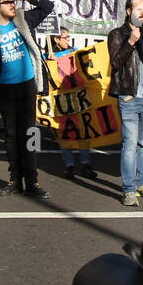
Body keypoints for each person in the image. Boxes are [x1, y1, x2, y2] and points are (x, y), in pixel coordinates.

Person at [0, 0, 54, 199]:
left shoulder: (24, 19)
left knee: (30, 133)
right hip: (5, 90)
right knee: (11, 135)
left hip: (28, 86)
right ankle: (14, 180)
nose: (12, 5)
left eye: (13, 1)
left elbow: (48, 6)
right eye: (7, 2)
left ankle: (33, 180)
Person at [107, 0, 143, 207]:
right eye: (138, 9)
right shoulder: (117, 34)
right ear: (129, 11)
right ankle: (128, 189)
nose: (142, 13)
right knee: (129, 145)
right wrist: (130, 42)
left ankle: (140, 182)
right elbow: (116, 62)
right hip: (129, 95)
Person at [47, 29, 97, 179]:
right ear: (56, 40)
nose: (68, 39)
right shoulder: (49, 57)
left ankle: (85, 163)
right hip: (62, 100)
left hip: (79, 97)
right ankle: (69, 165)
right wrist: (49, 62)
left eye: (68, 36)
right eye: (65, 37)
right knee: (64, 132)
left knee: (84, 131)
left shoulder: (75, 52)